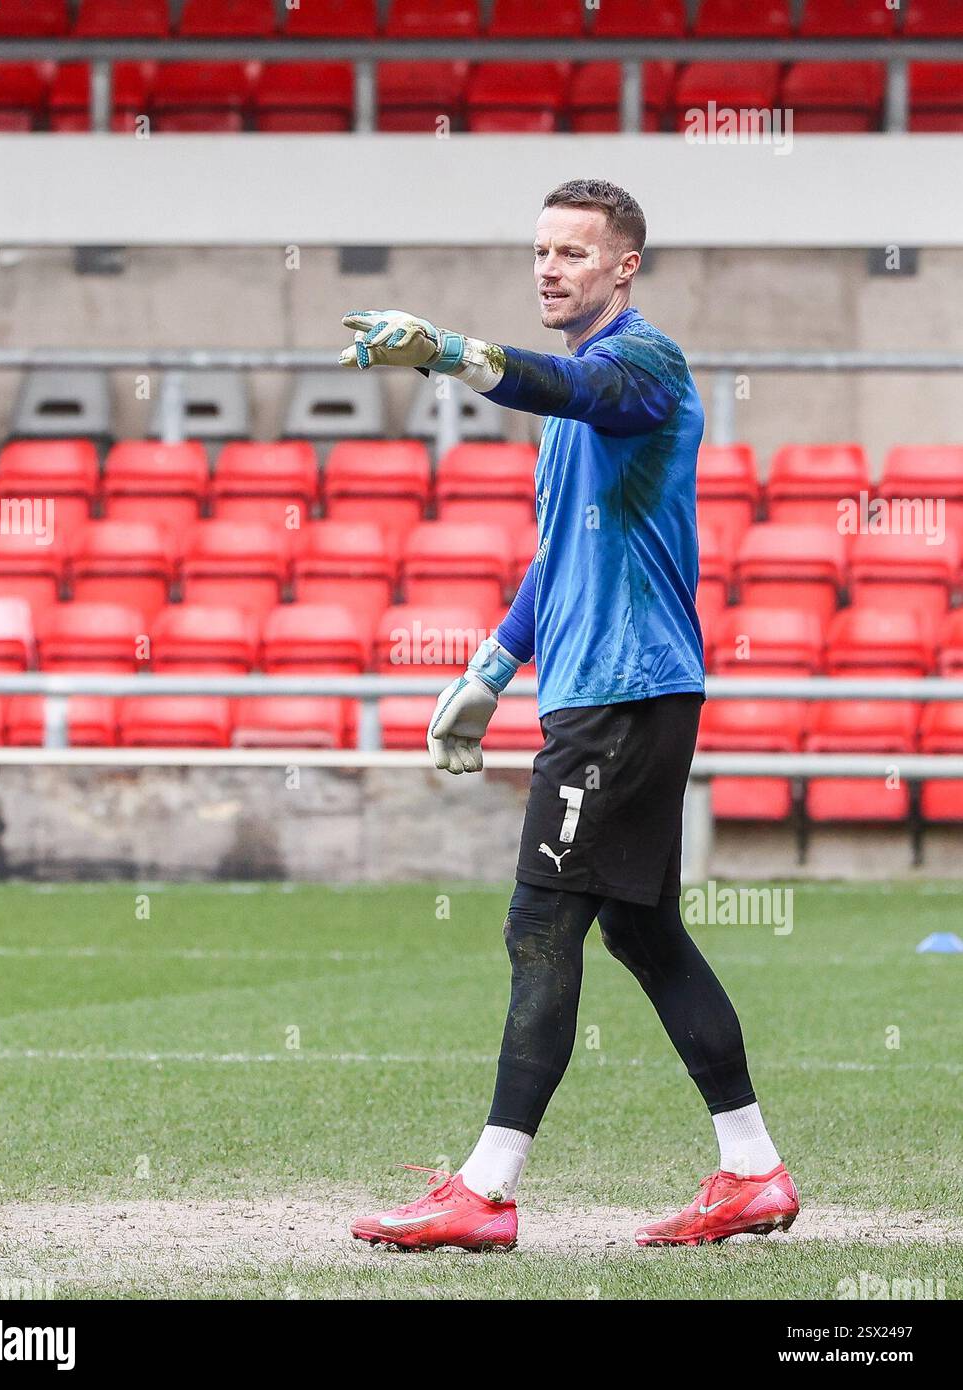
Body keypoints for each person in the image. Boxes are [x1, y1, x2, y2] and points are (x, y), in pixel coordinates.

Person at [341, 178, 799, 1251]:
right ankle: (752, 1170)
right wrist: (492, 668)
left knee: (539, 925)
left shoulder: (642, 366)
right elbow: (562, 559)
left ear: (623, 266)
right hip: (607, 694)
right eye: (540, 250)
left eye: (573, 253)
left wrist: (451, 352)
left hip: (621, 698)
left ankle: (484, 1192)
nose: (550, 267)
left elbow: (562, 385)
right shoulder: (573, 410)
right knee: (642, 930)